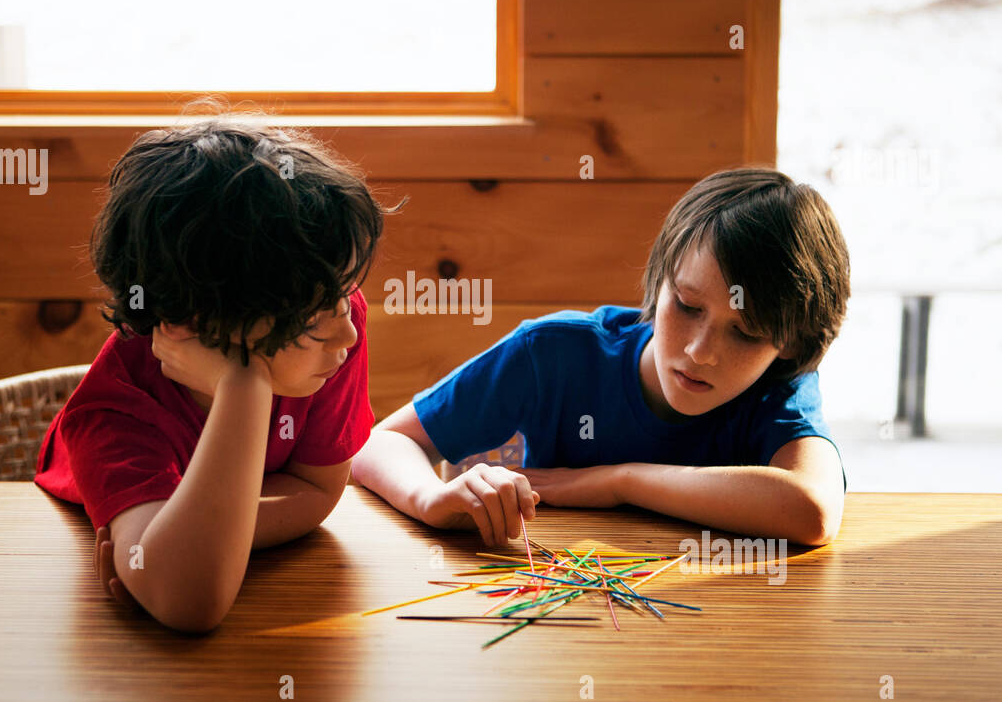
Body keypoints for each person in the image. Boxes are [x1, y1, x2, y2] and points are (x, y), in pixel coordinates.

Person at [351, 168, 851, 550]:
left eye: (745, 333)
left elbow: (812, 510)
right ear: (659, 281)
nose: (701, 352)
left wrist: (619, 481)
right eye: (687, 305)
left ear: (788, 345)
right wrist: (430, 497)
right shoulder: (557, 352)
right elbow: (379, 445)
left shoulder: (780, 382)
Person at [34, 114, 398, 632]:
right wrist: (244, 387)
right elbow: (191, 604)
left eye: (342, 296)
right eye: (314, 322)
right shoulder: (115, 414)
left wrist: (191, 546)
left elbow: (318, 492)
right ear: (194, 324)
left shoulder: (333, 324)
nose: (348, 335)